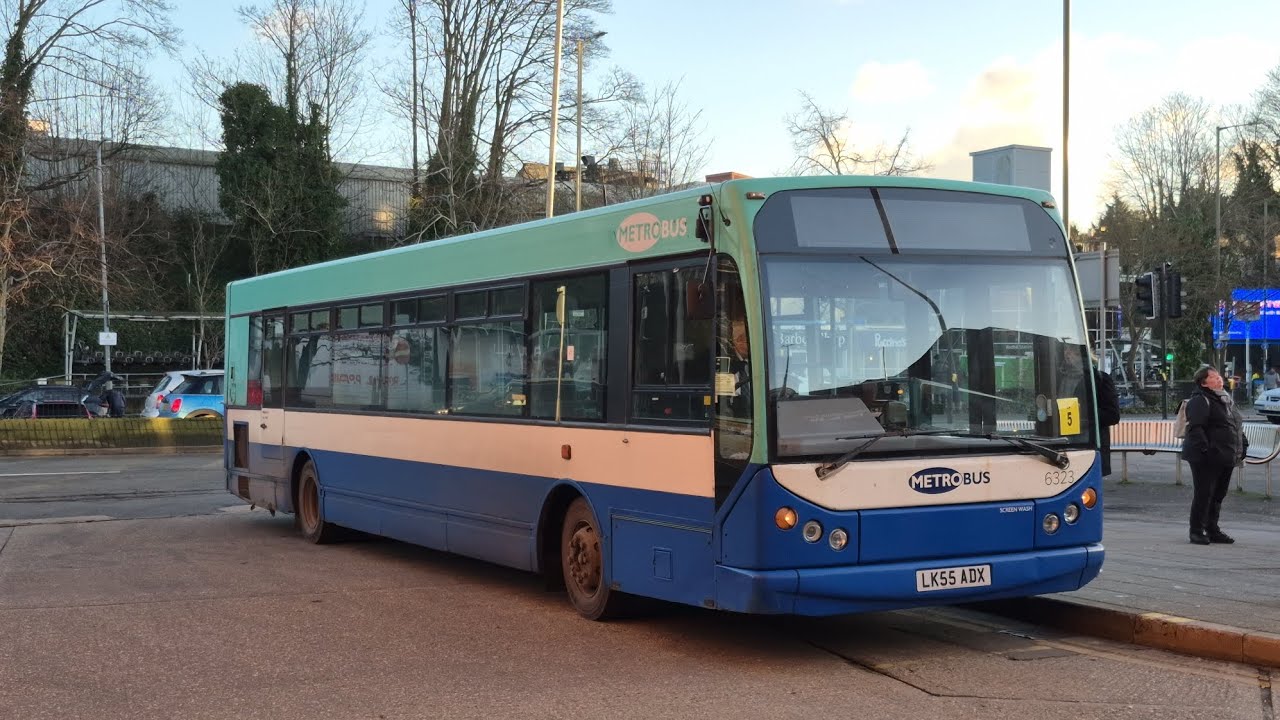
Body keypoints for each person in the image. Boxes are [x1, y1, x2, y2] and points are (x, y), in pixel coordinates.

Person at [1181, 365, 1247, 545]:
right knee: (1204, 493)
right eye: (1214, 377)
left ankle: (1212, 528)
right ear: (1204, 382)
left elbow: (1234, 424)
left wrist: (1242, 443)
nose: (1220, 380)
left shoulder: (1224, 399)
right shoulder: (1200, 400)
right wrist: (1206, 449)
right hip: (1207, 456)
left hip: (1226, 454)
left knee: (1218, 493)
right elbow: (1196, 428)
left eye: (1219, 377)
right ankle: (1196, 530)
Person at [1092, 361, 1121, 477]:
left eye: (1073, 352)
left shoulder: (1100, 379)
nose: (1068, 355)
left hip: (1092, 444)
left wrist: (1086, 414)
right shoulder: (1060, 378)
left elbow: (1113, 415)